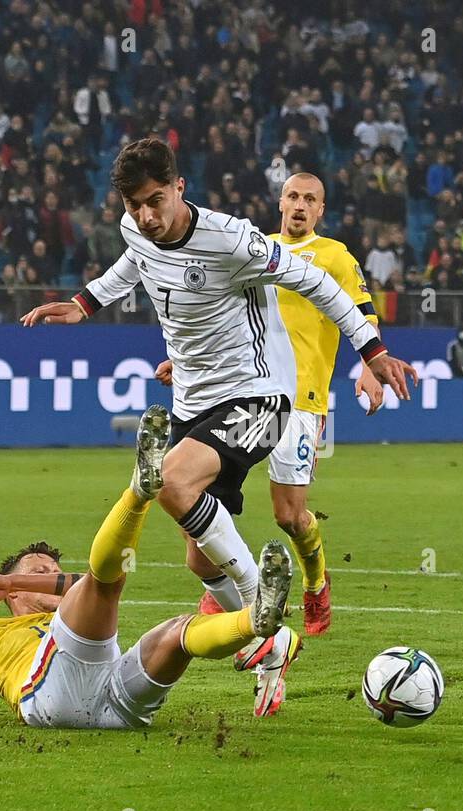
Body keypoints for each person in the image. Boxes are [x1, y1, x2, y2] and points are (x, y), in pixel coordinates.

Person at [19, 139, 414, 695]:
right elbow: (133, 261)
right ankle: (273, 641)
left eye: (157, 200)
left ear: (180, 187)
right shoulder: (137, 228)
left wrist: (373, 353)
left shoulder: (232, 239)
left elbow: (320, 285)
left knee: (171, 482)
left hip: (260, 396)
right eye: (134, 205)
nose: (147, 216)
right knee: (201, 564)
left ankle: (262, 610)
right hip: (194, 405)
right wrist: (85, 302)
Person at [0, 406, 300, 730]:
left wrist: (11, 579)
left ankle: (255, 621)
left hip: (116, 701)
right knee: (107, 581)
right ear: (9, 599)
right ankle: (140, 489)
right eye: (33, 570)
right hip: (50, 697)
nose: (44, 577)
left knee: (178, 632)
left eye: (47, 570)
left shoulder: (66, 606)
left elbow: (71, 586)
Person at [156, 172, 404, 640]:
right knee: (207, 485)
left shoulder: (335, 256)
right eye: (293, 195)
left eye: (310, 199)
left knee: (289, 515)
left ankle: (314, 581)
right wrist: (183, 359)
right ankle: (230, 578)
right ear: (279, 201)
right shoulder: (253, 246)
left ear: (320, 211)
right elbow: (218, 310)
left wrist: (370, 366)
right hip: (242, 393)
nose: (299, 204)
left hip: (304, 398)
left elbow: (360, 309)